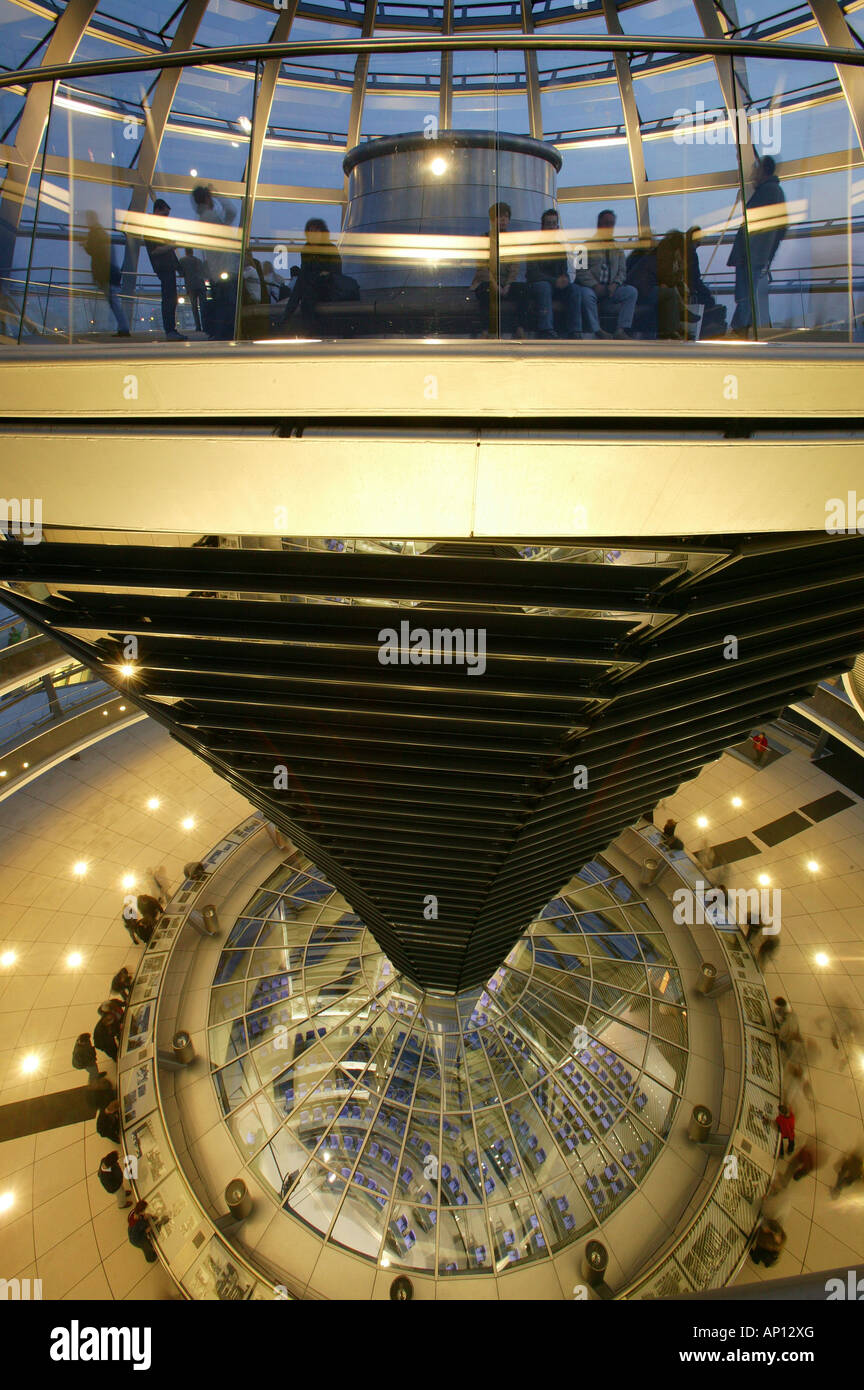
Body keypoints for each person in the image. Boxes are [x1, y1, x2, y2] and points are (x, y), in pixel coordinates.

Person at [728, 155, 787, 336]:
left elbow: (753, 226)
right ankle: (744, 330)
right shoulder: (774, 192)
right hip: (756, 254)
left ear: (763, 171)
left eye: (756, 170)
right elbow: (780, 228)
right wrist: (769, 253)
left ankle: (739, 331)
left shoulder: (767, 192)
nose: (754, 174)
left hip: (750, 254)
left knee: (745, 295)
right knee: (747, 294)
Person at [574, 210, 638, 339]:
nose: (609, 227)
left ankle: (621, 330)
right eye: (606, 223)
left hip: (611, 289)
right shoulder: (584, 246)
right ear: (599, 224)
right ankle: (597, 329)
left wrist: (615, 284)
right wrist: (594, 285)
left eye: (611, 224)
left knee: (631, 292)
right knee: (586, 295)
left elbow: (622, 271)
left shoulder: (618, 248)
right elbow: (580, 272)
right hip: (592, 288)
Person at [471, 203, 529, 338]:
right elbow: (482, 267)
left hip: (505, 284)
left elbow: (515, 266)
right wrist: (495, 285)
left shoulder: (512, 241)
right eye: (500, 217)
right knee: (486, 291)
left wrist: (508, 284)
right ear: (492, 220)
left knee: (524, 290)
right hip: (489, 283)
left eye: (506, 217)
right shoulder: (484, 239)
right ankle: (486, 330)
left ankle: (520, 328)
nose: (503, 220)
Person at [525, 208, 585, 338]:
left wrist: (565, 280)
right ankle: (546, 329)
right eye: (548, 224)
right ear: (543, 226)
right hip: (539, 286)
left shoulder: (560, 248)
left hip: (556, 287)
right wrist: (554, 281)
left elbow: (564, 272)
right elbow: (533, 274)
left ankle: (575, 330)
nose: (551, 227)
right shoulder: (535, 247)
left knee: (575, 289)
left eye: (554, 224)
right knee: (544, 286)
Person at [277, 218, 345, 332]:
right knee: (303, 286)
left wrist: (319, 275)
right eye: (311, 232)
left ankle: (287, 318)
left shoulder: (329, 248)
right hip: (313, 286)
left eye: (316, 231)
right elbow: (305, 271)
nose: (313, 235)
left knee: (304, 290)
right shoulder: (307, 249)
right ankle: (289, 319)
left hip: (327, 287)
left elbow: (335, 273)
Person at [191, 184, 239, 339]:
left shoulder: (202, 219)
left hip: (216, 272)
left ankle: (220, 336)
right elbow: (232, 212)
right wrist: (218, 194)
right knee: (228, 308)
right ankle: (226, 338)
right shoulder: (211, 217)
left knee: (221, 306)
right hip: (224, 270)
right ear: (207, 198)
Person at [81, 211, 130, 336]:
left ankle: (124, 328)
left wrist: (86, 245)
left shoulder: (95, 233)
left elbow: (96, 251)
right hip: (111, 272)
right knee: (114, 301)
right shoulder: (102, 233)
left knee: (113, 301)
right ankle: (123, 327)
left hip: (105, 273)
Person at [145, 198, 186, 341]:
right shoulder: (152, 228)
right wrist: (171, 246)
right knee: (169, 299)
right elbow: (155, 251)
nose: (165, 218)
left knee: (170, 299)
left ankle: (171, 330)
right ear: (157, 210)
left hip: (166, 268)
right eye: (164, 215)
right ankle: (170, 330)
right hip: (164, 268)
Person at [178, 247, 208, 332]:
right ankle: (205, 326)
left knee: (194, 307)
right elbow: (204, 273)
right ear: (192, 251)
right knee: (203, 307)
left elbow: (181, 273)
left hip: (191, 286)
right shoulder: (198, 260)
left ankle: (198, 326)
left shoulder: (182, 261)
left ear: (185, 252)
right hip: (201, 285)